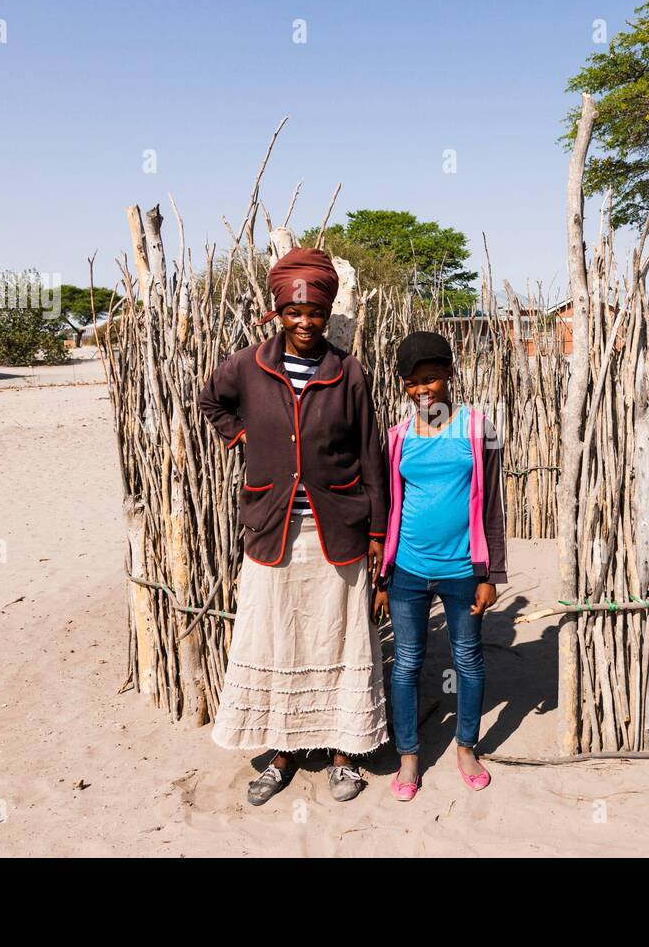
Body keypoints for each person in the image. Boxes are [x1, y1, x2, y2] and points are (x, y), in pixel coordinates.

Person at [197, 246, 389, 805]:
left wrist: (376, 532)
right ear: (278, 312)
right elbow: (211, 402)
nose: (305, 323)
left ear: (328, 316)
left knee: (341, 638)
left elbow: (368, 450)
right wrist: (243, 438)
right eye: (294, 313)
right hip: (272, 526)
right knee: (277, 639)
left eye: (316, 315)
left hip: (338, 530)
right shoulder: (248, 365)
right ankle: (281, 754)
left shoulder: (347, 371)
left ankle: (343, 755)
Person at [372, 331, 507, 801]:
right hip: (407, 568)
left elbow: (492, 505)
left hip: (460, 571)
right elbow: (388, 506)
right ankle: (410, 757)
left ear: (448, 374)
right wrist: (385, 578)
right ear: (404, 385)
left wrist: (489, 575)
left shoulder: (478, 427)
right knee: (407, 661)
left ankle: (466, 747)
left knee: (467, 659)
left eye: (431, 378)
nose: (423, 389)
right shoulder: (397, 437)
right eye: (413, 382)